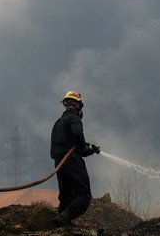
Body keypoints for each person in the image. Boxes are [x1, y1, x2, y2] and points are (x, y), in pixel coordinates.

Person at [50, 90, 100, 228]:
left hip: (59, 163)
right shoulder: (74, 118)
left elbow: (72, 145)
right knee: (84, 196)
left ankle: (59, 224)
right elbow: (77, 135)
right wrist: (84, 147)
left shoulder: (58, 122)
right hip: (72, 161)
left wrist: (88, 149)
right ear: (77, 105)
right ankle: (64, 218)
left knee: (66, 196)